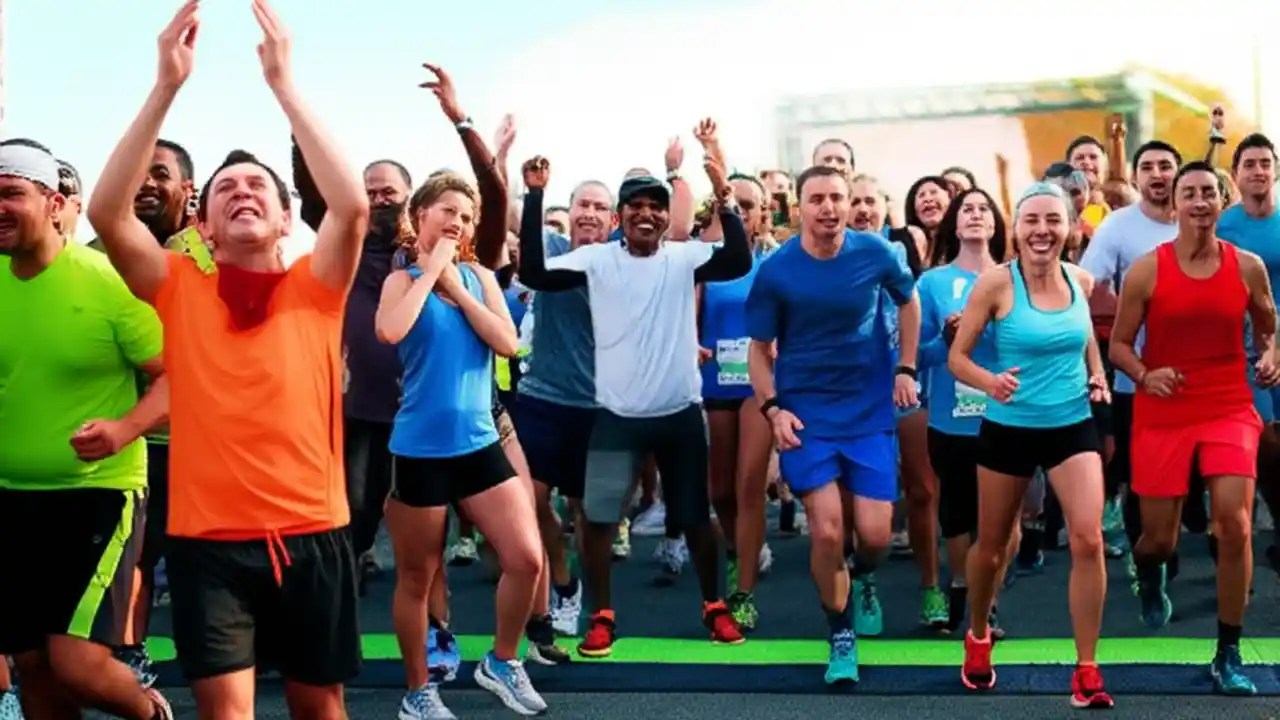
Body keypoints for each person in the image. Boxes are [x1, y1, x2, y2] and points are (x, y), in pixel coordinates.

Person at [87, 2, 369, 717]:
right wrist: (166, 85)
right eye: (225, 189)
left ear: (285, 218)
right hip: (207, 543)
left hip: (311, 532)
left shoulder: (316, 286)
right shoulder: (178, 285)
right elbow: (108, 214)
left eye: (257, 187)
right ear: (204, 225)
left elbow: (351, 209)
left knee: (319, 707)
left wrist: (284, 85)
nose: (242, 192)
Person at [519, 152, 751, 658]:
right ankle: (601, 616)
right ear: (619, 217)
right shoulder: (598, 260)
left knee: (696, 516)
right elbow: (534, 273)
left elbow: (739, 262)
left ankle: (714, 605)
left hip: (678, 414)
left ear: (667, 216)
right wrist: (535, 195)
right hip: (617, 418)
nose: (646, 214)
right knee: (600, 518)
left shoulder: (684, 257)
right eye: (636, 207)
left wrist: (723, 194)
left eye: (656, 207)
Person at [0, 138, 171, 720]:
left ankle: (152, 714)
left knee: (76, 662)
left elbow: (179, 375)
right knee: (32, 664)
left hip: (96, 494)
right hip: (10, 496)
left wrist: (125, 428)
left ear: (54, 204)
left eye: (11, 193)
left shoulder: (106, 281)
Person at [376, 172, 547, 719]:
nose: (458, 222)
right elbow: (391, 331)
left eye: (467, 217)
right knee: (417, 577)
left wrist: (457, 285)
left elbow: (508, 343)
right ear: (419, 216)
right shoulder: (400, 281)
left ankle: (502, 661)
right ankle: (418, 692)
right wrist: (431, 273)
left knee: (526, 559)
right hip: (420, 450)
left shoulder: (480, 277)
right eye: (447, 211)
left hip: (479, 442)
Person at [746, 164, 921, 685]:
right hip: (807, 414)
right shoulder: (777, 269)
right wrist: (774, 409)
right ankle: (839, 631)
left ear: (849, 203)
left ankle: (861, 577)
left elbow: (909, 302)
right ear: (799, 207)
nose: (828, 207)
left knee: (876, 535)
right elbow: (759, 350)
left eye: (837, 197)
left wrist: (906, 367)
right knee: (825, 531)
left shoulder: (876, 253)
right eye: (817, 198)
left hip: (868, 411)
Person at [1109, 161, 1275, 696]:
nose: (1200, 202)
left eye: (1209, 192)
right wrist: (1144, 374)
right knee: (1159, 539)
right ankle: (1150, 573)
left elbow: (1269, 327)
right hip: (1164, 407)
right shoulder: (1147, 270)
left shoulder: (1247, 266)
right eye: (1190, 193)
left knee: (1235, 524)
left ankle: (1228, 652)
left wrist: (1272, 355)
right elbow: (1118, 345)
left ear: (1221, 201)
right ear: (1174, 204)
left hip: (1228, 404)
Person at [948, 182, 1113, 709]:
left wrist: (1097, 374)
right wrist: (990, 382)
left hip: (1071, 423)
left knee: (1088, 539)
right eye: (1032, 221)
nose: (1042, 230)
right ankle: (978, 634)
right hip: (1010, 426)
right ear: (1016, 229)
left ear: (1069, 229)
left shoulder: (1079, 279)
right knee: (994, 546)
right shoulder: (996, 284)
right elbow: (957, 358)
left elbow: (1085, 338)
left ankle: (1086, 669)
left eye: (1052, 220)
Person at [513, 175, 615, 638]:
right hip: (541, 397)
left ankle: (598, 603)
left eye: (599, 207)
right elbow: (509, 219)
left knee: (588, 513)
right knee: (530, 501)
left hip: (598, 406)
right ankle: (562, 583)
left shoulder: (619, 261)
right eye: (582, 205)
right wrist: (508, 167)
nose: (589, 213)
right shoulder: (548, 248)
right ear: (569, 211)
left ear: (613, 220)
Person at [916, 188, 1007, 632]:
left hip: (1007, 415)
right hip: (950, 417)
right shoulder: (932, 284)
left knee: (1004, 518)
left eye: (983, 209)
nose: (975, 215)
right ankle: (961, 588)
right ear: (953, 223)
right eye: (966, 209)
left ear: (995, 223)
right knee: (958, 512)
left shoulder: (1017, 277)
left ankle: (987, 599)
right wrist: (947, 340)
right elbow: (917, 355)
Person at [1218, 133, 1280, 573]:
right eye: (1250, 164)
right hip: (1241, 352)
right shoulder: (1222, 227)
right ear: (1235, 174)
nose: (1259, 171)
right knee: (1263, 441)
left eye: (1266, 163)